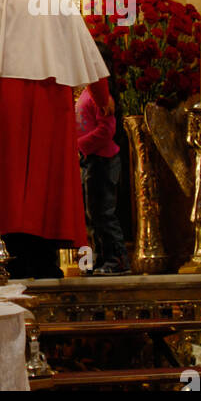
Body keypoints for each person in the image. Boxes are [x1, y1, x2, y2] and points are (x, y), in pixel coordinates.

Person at [0, 0, 111, 280]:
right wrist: (103, 100)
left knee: (10, 172)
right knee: (48, 173)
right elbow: (89, 56)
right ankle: (43, 257)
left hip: (8, 93)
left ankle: (9, 253)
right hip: (51, 96)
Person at [77, 42, 129, 275]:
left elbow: (106, 130)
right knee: (93, 214)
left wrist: (78, 145)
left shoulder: (102, 93)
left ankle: (117, 260)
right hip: (92, 159)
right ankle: (99, 259)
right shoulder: (89, 90)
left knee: (103, 213)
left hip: (103, 159)